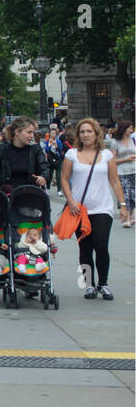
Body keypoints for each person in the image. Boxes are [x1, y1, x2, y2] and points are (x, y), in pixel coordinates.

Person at [62, 117, 128, 300]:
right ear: (78, 135)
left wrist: (122, 205)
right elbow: (64, 179)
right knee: (85, 247)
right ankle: (89, 284)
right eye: (82, 132)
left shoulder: (106, 155)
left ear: (96, 133)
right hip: (79, 209)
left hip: (102, 207)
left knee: (101, 246)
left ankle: (103, 284)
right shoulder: (72, 155)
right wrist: (71, 201)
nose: (86, 135)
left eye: (89, 131)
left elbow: (114, 181)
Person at [0, 116, 47, 194]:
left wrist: (43, 177)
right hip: (6, 194)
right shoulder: (1, 149)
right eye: (29, 132)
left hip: (30, 194)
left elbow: (44, 167)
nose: (32, 136)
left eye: (33, 132)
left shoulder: (36, 149)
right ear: (17, 132)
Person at [107, 121, 135, 228]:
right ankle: (126, 218)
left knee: (133, 195)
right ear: (124, 129)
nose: (131, 130)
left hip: (134, 170)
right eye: (129, 128)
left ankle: (132, 215)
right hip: (122, 172)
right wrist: (126, 159)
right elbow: (112, 160)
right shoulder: (115, 142)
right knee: (126, 195)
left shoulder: (133, 140)